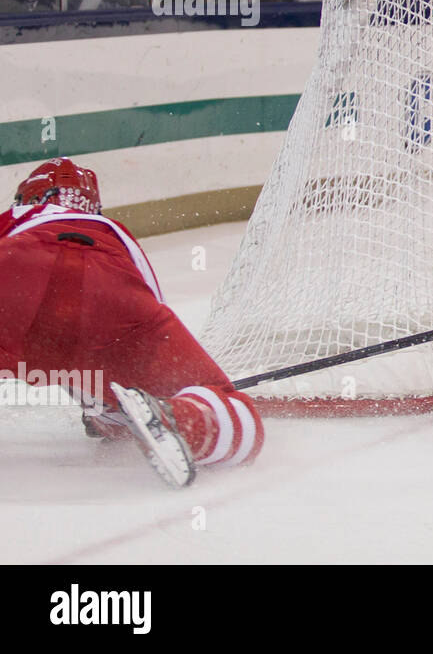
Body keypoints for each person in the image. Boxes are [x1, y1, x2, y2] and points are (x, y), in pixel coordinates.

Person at [0, 158, 264, 488]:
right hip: (107, 290)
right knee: (244, 418)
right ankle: (181, 418)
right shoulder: (114, 231)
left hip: (15, 269)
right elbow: (151, 313)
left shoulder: (16, 219)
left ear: (28, 199)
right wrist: (147, 390)